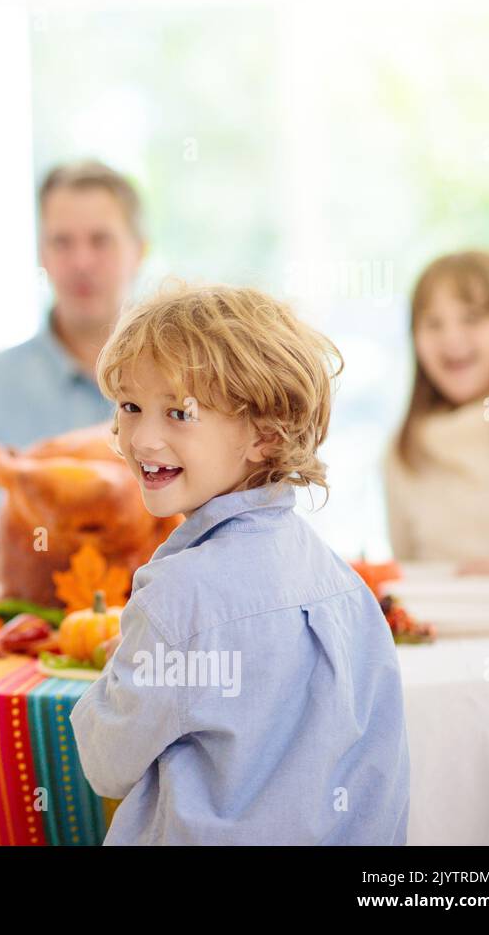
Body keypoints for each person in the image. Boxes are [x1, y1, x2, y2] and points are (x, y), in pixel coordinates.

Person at [71, 285, 409, 844]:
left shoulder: (176, 597)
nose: (144, 437)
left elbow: (106, 763)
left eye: (180, 413)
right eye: (131, 406)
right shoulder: (343, 586)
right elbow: (379, 774)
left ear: (266, 435)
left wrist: (123, 669)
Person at [0, 161, 146, 581]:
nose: (81, 261)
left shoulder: (192, 386)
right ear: (42, 254)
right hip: (24, 635)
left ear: (139, 251)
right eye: (62, 242)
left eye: (101, 241)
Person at [384, 250, 489, 577]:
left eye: (472, 317)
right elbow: (409, 578)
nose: (452, 339)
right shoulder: (403, 452)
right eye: (433, 323)